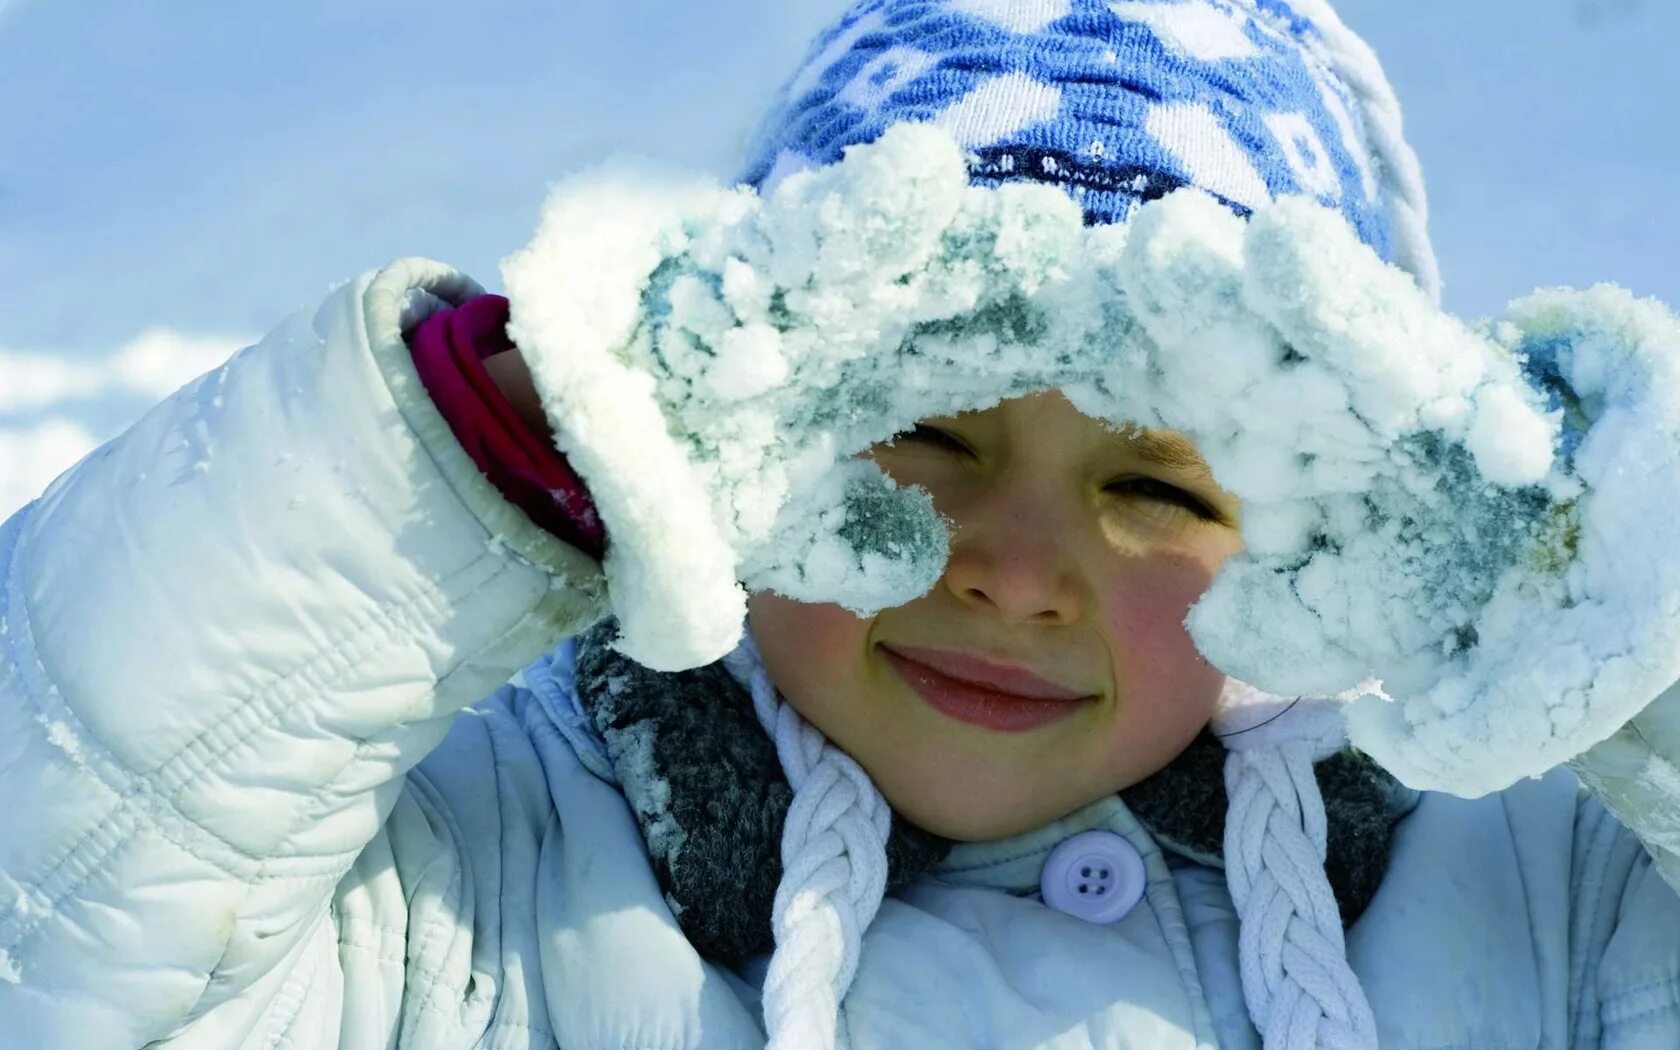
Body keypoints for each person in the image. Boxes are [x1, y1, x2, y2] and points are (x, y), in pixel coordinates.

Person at [3, 0, 1678, 1047]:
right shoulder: (497, 875)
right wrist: (489, 446)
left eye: (1158, 484)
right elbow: (70, 927)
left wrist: (1618, 609)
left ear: (1324, 528)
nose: (1016, 573)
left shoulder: (1532, 906)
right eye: (926, 433)